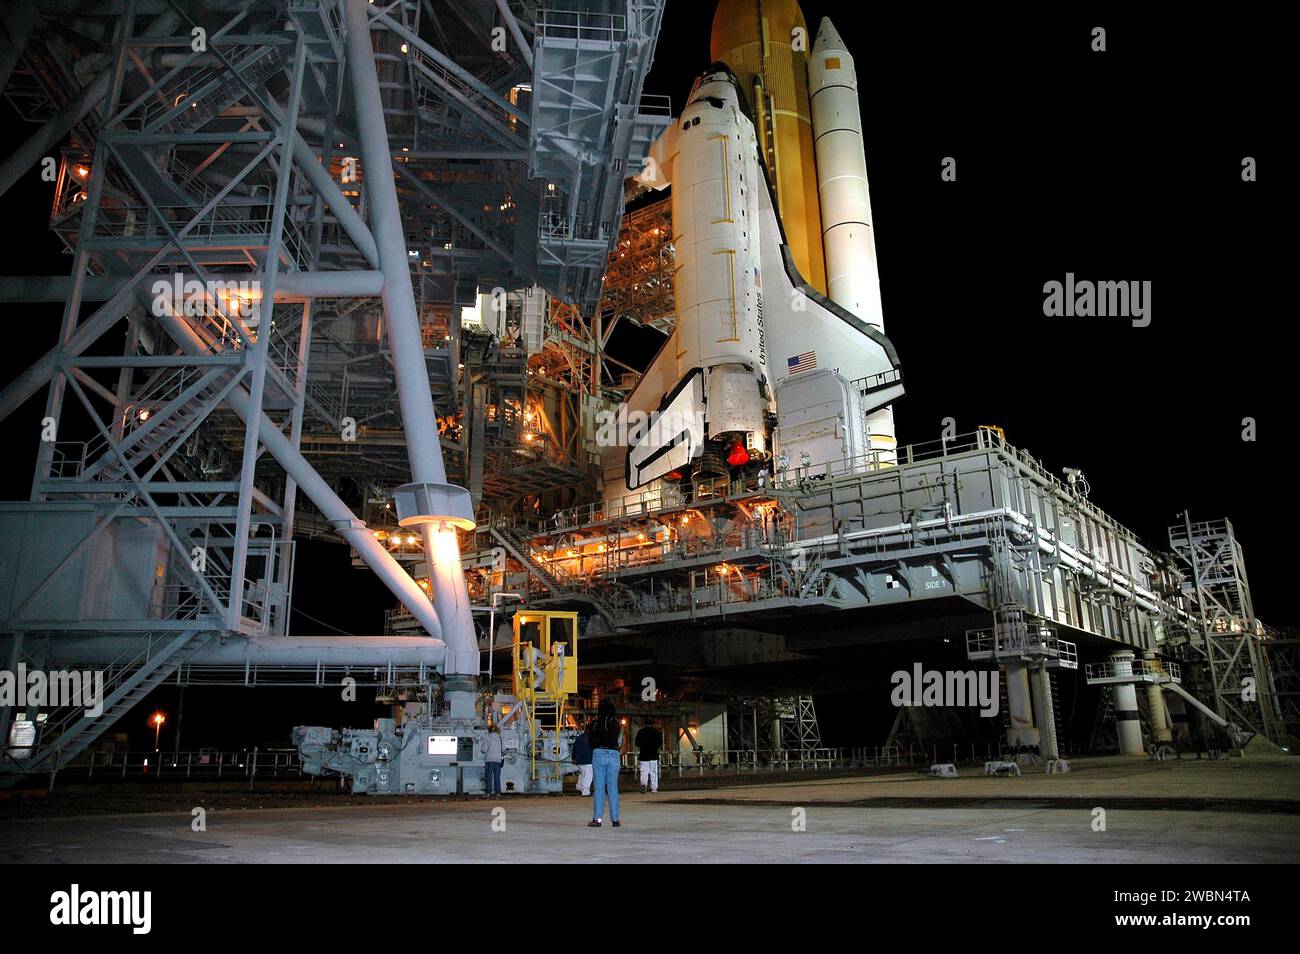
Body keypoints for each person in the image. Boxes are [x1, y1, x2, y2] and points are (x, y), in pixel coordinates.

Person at [587, 699, 622, 828]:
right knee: (613, 788)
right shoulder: (616, 723)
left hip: (599, 753)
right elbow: (619, 739)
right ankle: (615, 819)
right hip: (613, 754)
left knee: (599, 788)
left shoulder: (595, 724)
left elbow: (591, 740)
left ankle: (597, 819)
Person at [635, 718, 662, 793]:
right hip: (653, 754)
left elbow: (637, 743)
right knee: (653, 772)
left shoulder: (641, 732)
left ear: (644, 724)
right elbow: (660, 743)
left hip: (644, 755)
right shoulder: (656, 732)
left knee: (644, 771)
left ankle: (644, 785)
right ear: (652, 724)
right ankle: (654, 788)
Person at [481, 724, 503, 799]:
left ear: (489, 730)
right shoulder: (500, 738)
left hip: (489, 760)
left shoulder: (487, 738)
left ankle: (488, 793)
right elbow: (503, 750)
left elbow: (484, 750)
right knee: (497, 777)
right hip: (498, 760)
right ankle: (498, 793)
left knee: (489, 777)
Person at [571, 727, 593, 796]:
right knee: (588, 776)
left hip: (579, 761)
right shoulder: (591, 739)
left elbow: (574, 749)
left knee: (582, 774)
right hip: (588, 760)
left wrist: (574, 758)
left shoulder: (579, 738)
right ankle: (585, 792)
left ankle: (579, 787)